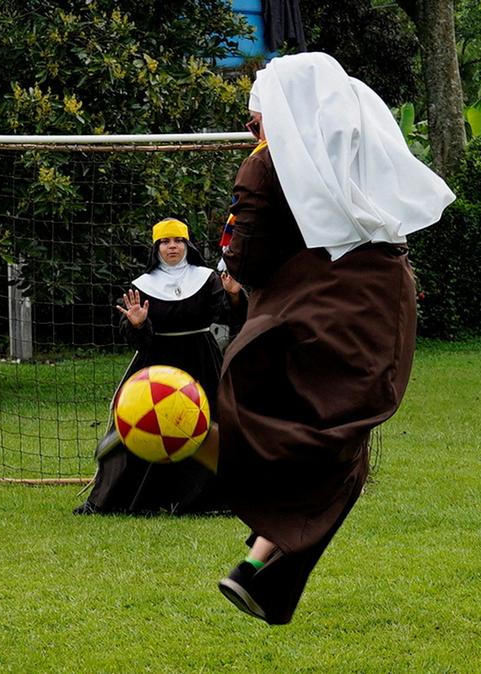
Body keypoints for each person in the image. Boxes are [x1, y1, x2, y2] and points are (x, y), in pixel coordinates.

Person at [211, 52, 456, 624]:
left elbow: (244, 254)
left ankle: (212, 470)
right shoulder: (360, 155)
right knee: (344, 447)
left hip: (307, 317)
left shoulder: (265, 166)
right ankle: (261, 570)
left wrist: (236, 268)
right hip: (380, 316)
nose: (253, 130)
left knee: (277, 419)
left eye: (256, 118)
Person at [74, 218, 245, 515]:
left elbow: (232, 319)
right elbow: (137, 339)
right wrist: (138, 323)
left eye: (177, 241)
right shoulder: (142, 286)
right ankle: (129, 498)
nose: (172, 247)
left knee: (212, 425)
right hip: (155, 366)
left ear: (187, 245)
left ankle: (211, 499)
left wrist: (232, 294)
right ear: (156, 248)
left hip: (202, 363)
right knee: (141, 427)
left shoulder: (208, 279)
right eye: (165, 242)